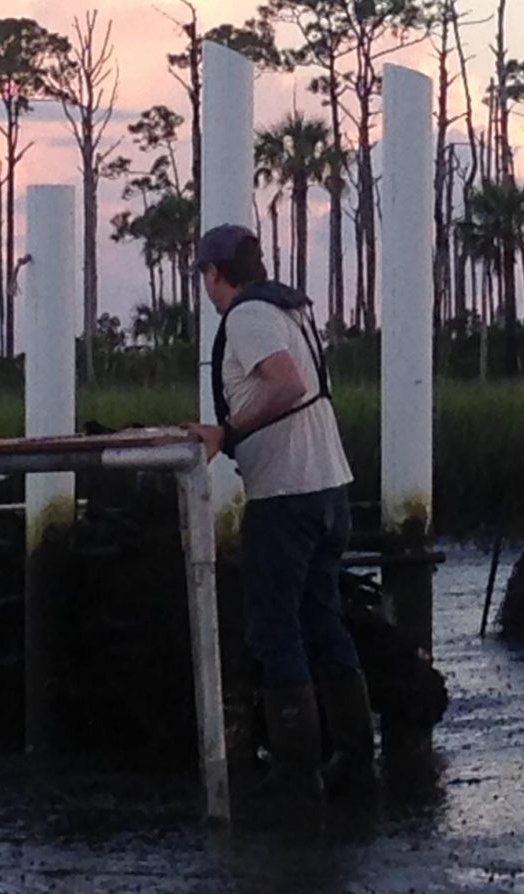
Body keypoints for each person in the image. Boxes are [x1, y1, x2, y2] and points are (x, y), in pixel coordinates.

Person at [187, 224, 377, 802]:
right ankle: (353, 759)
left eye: (204, 276)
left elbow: (287, 385)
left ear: (213, 274)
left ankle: (297, 777)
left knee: (275, 630)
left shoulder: (246, 317)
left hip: (286, 497)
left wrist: (225, 431)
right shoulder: (288, 309)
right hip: (329, 490)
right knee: (323, 620)